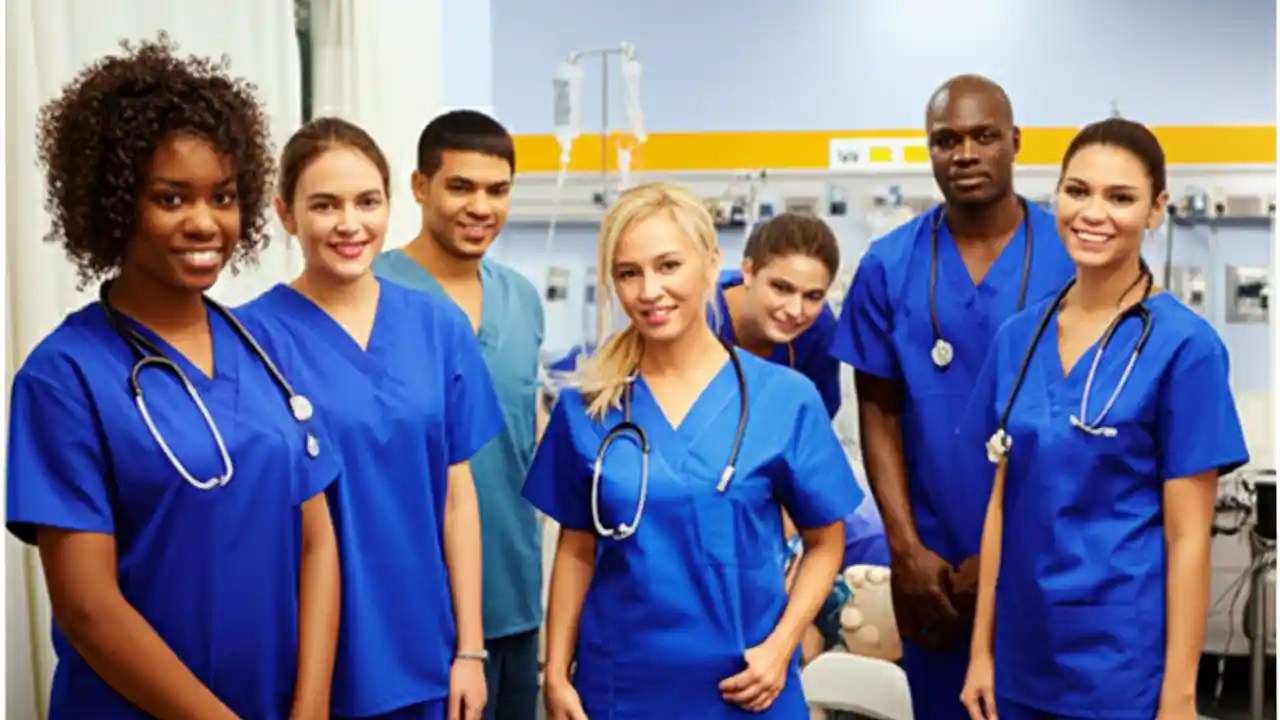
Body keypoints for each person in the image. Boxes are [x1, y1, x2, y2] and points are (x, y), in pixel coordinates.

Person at [6, 35, 341, 719]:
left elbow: (317, 541)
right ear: (115, 203)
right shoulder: (64, 377)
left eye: (222, 196)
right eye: (170, 197)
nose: (204, 222)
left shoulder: (266, 345)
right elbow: (87, 607)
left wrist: (308, 709)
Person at [527, 181, 862, 719]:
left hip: (749, 686)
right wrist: (555, 672)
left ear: (712, 263)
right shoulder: (588, 407)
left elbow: (827, 541)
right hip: (622, 687)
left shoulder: (785, 398)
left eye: (668, 266)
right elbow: (576, 548)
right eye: (628, 273)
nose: (649, 291)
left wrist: (781, 650)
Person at [958, 118, 1249, 720]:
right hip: (1021, 656)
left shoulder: (1185, 348)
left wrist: (1180, 695)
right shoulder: (1019, 337)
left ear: (1156, 209)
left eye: (1121, 198)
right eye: (1078, 190)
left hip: (1122, 665)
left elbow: (1188, 536)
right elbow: (999, 505)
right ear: (1056, 194)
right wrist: (981, 651)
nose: (1094, 213)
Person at [237, 117, 503, 720]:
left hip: (426, 651)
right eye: (325, 205)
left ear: (391, 204)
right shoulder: (248, 341)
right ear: (285, 213)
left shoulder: (436, 328)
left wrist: (469, 650)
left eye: (367, 201)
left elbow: (458, 497)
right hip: (307, 661)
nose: (350, 224)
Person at [829, 73, 1076, 719]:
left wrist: (1006, 555)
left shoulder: (1073, 258)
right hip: (931, 570)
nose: (964, 153)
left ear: (1015, 142)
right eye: (946, 139)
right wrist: (907, 554)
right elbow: (877, 409)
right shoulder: (889, 264)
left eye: (983, 136)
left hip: (1049, 558)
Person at [371, 109, 544, 720]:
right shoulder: (370, 292)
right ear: (420, 188)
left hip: (516, 600)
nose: (481, 207)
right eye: (461, 187)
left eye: (497, 190)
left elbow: (524, 436)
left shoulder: (521, 299)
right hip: (410, 610)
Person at [713, 212, 890, 662]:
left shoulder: (816, 336)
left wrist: (791, 546)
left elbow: (806, 451)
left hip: (775, 493)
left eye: (813, 295)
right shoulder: (700, 320)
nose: (796, 310)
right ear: (748, 271)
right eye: (782, 288)